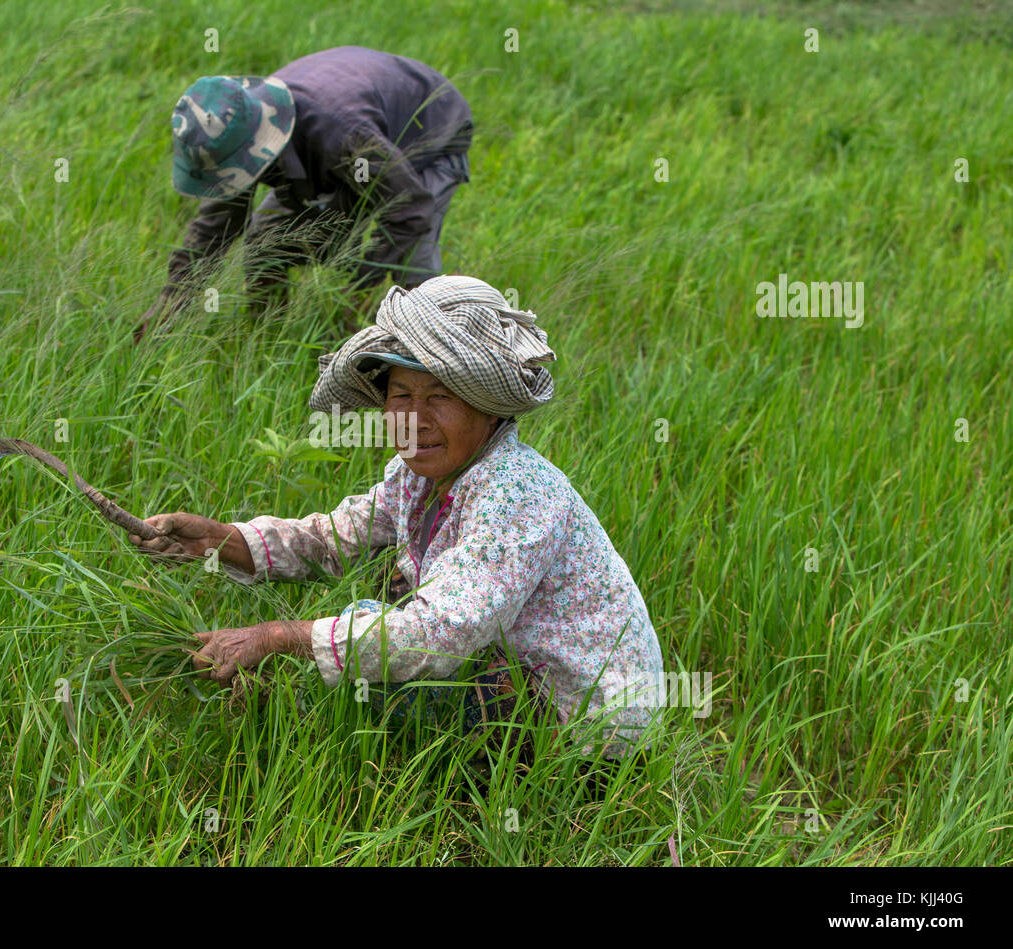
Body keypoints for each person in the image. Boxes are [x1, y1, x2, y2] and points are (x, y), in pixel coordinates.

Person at [130, 275, 665, 756]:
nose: (415, 418)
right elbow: (334, 539)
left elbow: (438, 633)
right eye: (401, 394)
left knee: (382, 647)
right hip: (519, 675)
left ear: (490, 406)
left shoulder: (518, 491)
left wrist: (274, 638)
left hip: (588, 728)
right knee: (381, 607)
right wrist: (219, 540)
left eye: (442, 397)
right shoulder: (419, 475)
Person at [135, 47, 473, 342]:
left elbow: (410, 207)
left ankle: (435, 355)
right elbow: (216, 227)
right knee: (266, 243)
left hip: (428, 130)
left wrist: (357, 289)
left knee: (413, 268)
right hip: (345, 146)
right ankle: (269, 337)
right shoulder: (236, 129)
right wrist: (170, 303)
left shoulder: (345, 135)